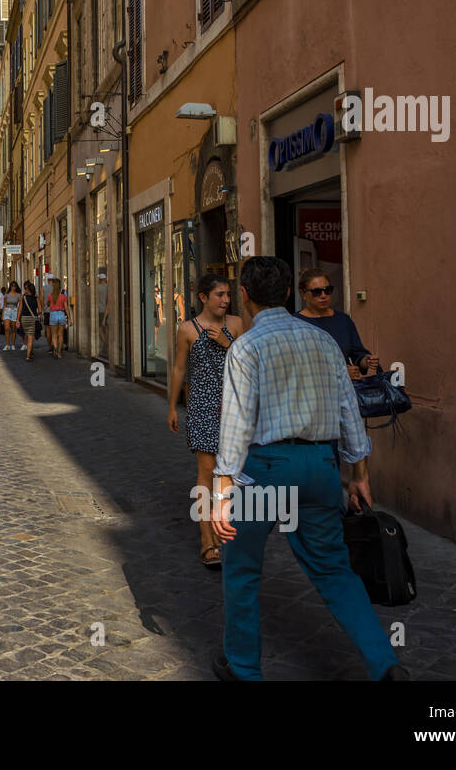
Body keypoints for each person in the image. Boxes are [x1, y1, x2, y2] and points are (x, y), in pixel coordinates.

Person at [210, 256, 405, 682]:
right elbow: (348, 410)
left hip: (264, 469)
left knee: (242, 569)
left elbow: (236, 422)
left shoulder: (246, 347)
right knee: (335, 570)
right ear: (287, 295)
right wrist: (360, 474)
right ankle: (385, 664)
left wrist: (221, 491)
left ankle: (244, 669)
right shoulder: (323, 342)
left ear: (244, 296)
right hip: (319, 465)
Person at [167, 274, 245, 568]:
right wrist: (172, 406)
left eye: (228, 295)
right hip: (202, 406)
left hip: (234, 407)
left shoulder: (236, 325)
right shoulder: (187, 329)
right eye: (220, 295)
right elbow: (179, 369)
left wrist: (229, 343)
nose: (225, 300)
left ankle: (222, 529)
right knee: (207, 471)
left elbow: (250, 361)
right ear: (203, 297)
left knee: (229, 475)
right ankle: (207, 540)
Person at [293, 268, 379, 381]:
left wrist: (367, 361)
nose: (323, 295)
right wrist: (340, 371)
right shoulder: (295, 323)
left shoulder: (343, 320)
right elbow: (298, 365)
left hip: (345, 391)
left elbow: (357, 353)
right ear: (303, 293)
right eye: (316, 292)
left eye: (327, 290)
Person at [45, 278, 69, 359]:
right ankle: (59, 353)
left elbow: (47, 304)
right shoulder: (63, 296)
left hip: (53, 314)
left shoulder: (50, 296)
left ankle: (55, 348)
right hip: (61, 314)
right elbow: (66, 308)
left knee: (54, 335)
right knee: (61, 335)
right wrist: (70, 318)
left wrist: (50, 304)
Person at [19, 281, 41, 361]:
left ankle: (30, 352)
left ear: (27, 289)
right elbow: (40, 310)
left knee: (27, 336)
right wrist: (35, 313)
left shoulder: (23, 297)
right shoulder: (36, 297)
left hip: (24, 318)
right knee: (30, 337)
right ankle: (28, 356)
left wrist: (18, 319)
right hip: (32, 319)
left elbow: (20, 309)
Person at [1, 282, 22, 350]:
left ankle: (12, 344)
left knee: (13, 329)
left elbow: (20, 307)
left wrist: (18, 316)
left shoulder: (19, 295)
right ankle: (7, 345)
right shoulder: (6, 295)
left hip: (14, 311)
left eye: (14, 286)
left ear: (16, 287)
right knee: (6, 328)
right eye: (12, 286)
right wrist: (2, 315)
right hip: (7, 311)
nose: (13, 287)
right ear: (10, 287)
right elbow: (4, 305)